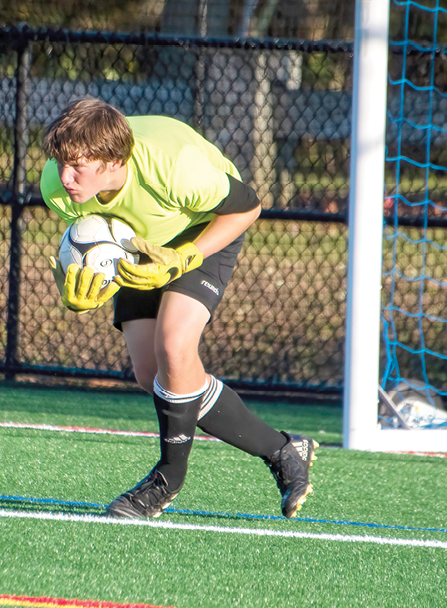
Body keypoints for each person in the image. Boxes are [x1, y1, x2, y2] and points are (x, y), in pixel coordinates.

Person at [40, 97, 317, 519]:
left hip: (203, 229)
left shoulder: (175, 168)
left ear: (114, 161)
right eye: (61, 163)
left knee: (175, 345)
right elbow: (89, 242)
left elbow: (249, 205)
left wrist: (184, 257)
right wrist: (76, 290)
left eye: (78, 166)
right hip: (137, 239)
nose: (65, 176)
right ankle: (283, 450)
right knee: (152, 374)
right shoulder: (58, 186)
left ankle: (166, 480)